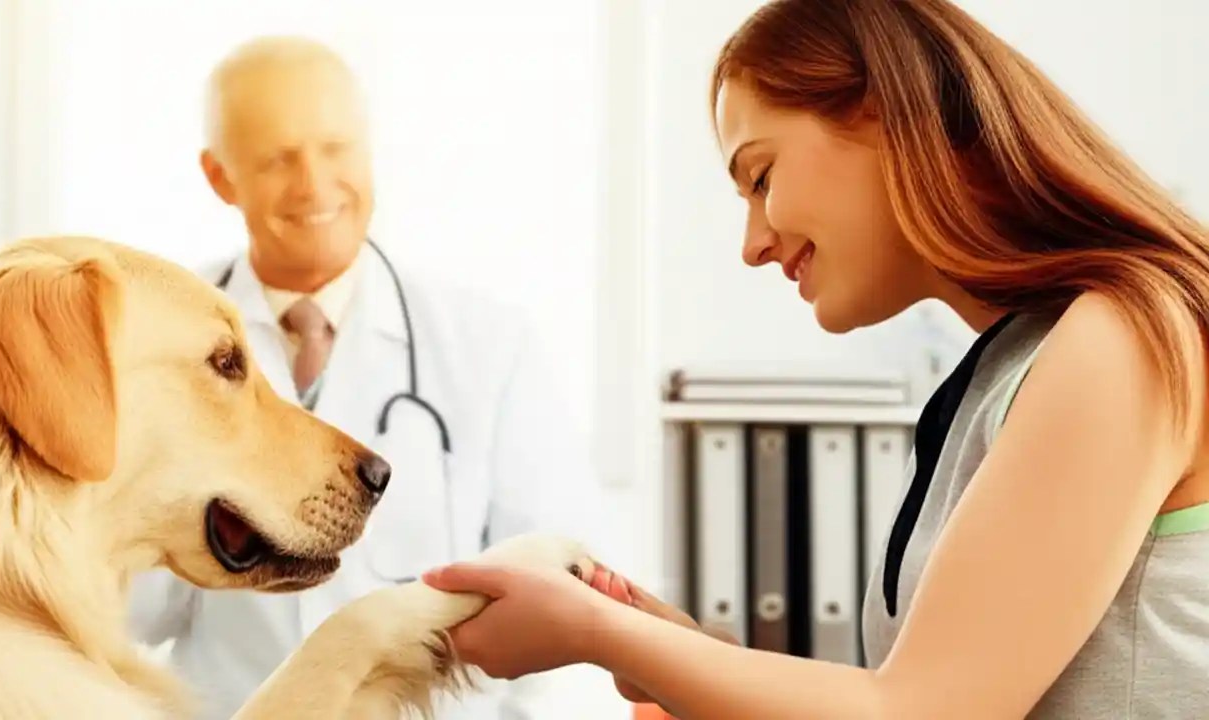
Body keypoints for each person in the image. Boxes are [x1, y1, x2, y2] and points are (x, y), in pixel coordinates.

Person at [421, 0, 1209, 717]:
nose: (753, 244)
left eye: (761, 177)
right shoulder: (1009, 372)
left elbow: (923, 712)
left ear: (883, 114)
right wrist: (682, 660)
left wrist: (597, 633)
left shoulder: (1124, 340)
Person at [127, 35, 604, 720]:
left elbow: (571, 604)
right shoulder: (163, 345)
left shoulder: (489, 343)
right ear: (220, 177)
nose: (314, 183)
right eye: (278, 158)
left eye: (336, 148)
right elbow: (129, 610)